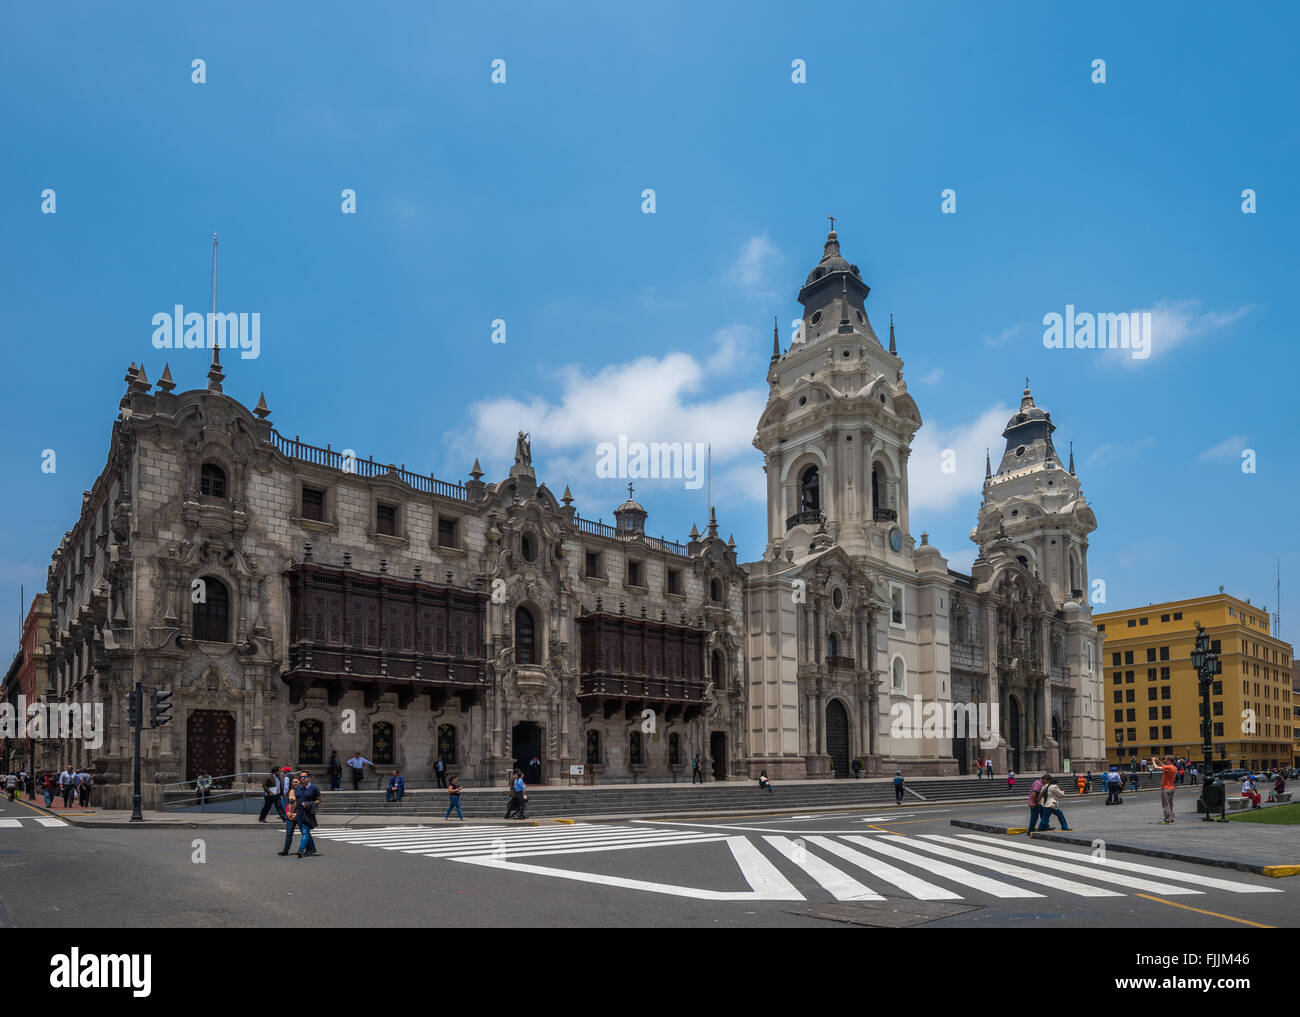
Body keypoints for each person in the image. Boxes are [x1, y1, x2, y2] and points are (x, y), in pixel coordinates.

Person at [295, 770, 321, 856]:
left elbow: (319, 800)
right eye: (301, 777)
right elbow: (296, 801)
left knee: (305, 832)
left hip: (308, 814)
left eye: (304, 777)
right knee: (304, 832)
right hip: (299, 813)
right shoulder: (298, 788)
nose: (302, 778)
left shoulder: (314, 788)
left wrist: (309, 803)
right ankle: (312, 848)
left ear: (308, 778)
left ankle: (301, 850)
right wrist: (292, 812)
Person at [278, 776, 301, 856]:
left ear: (299, 782)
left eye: (296, 782)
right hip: (290, 815)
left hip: (299, 814)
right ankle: (285, 850)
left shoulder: (302, 791)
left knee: (304, 833)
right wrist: (288, 813)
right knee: (289, 833)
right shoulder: (290, 791)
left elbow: (300, 804)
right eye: (293, 782)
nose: (295, 783)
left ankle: (309, 848)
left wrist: (296, 813)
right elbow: (288, 803)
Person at [1153, 756, 1178, 823]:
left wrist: (1153, 761)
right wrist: (1159, 762)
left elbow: (1156, 767)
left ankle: (1168, 819)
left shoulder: (1169, 767)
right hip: (1172, 788)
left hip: (1166, 788)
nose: (1165, 761)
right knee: (1170, 804)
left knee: (1165, 804)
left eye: (1166, 759)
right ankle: (1172, 818)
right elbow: (1164, 766)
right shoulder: (1174, 768)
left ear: (1169, 760)